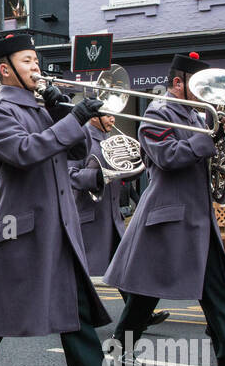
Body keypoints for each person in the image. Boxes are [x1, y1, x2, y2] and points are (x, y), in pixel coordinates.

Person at [0, 34, 136, 366]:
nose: (37, 67)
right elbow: (24, 152)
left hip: (60, 226)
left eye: (37, 60)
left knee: (77, 309)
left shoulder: (43, 107)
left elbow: (79, 152)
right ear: (6, 69)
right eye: (28, 60)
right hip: (21, 230)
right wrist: (71, 119)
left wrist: (65, 109)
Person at [104, 52, 225, 366]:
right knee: (144, 291)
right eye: (197, 87)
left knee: (216, 289)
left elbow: (209, 162)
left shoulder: (198, 115)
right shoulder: (158, 114)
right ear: (178, 83)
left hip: (197, 215)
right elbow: (168, 157)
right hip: (166, 213)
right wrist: (211, 137)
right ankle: (119, 348)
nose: (205, 96)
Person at [70, 112, 170, 327]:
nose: (113, 120)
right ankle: (66, 311)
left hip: (112, 217)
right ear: (94, 117)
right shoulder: (80, 137)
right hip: (89, 216)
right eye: (108, 116)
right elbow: (68, 173)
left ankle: (139, 314)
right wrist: (95, 177)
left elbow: (122, 172)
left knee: (125, 267)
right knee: (76, 271)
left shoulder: (109, 139)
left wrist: (135, 167)